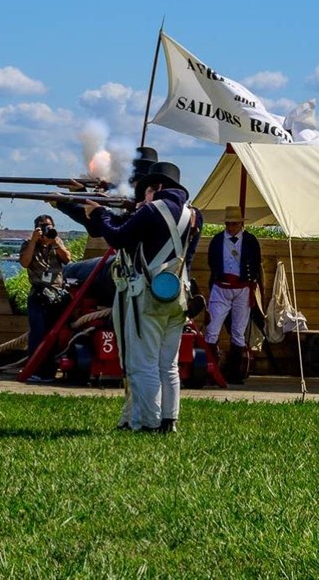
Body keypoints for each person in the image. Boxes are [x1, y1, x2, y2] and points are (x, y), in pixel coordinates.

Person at [84, 161, 193, 433]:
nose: (142, 195)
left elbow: (117, 238)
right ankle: (169, 420)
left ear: (156, 188)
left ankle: (149, 423)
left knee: (142, 365)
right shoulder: (194, 215)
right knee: (168, 365)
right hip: (178, 296)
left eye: (146, 190)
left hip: (147, 296)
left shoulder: (152, 210)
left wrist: (99, 214)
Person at [203, 205, 263, 383]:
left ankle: (234, 373)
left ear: (241, 224)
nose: (231, 227)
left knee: (238, 331)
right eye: (228, 224)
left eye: (234, 224)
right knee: (212, 329)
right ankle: (210, 371)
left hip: (242, 289)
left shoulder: (251, 241)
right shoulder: (217, 240)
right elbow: (212, 262)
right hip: (221, 287)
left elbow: (256, 263)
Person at [19, 213, 71, 381]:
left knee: (53, 334)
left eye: (49, 225)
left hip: (56, 294)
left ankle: (48, 372)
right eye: (44, 226)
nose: (47, 229)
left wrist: (55, 243)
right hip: (39, 294)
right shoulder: (29, 244)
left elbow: (67, 259)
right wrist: (34, 241)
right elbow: (25, 263)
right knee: (38, 332)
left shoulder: (57, 243)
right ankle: (34, 370)